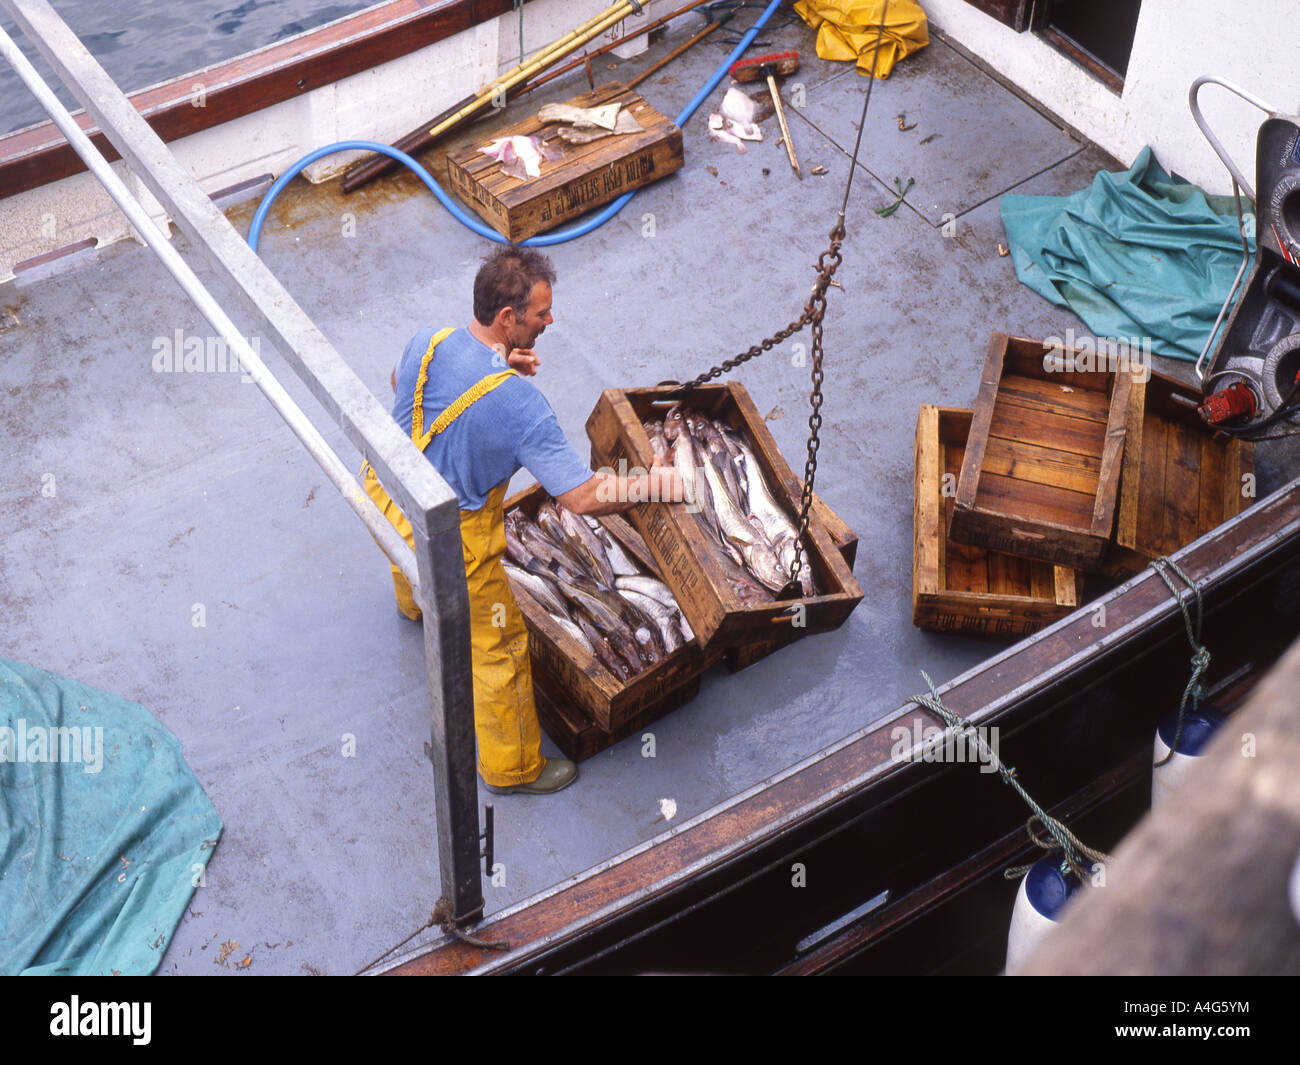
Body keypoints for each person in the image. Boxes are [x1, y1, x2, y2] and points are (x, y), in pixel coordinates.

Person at [361, 246, 683, 795]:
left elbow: (401, 383)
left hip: (384, 491)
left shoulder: (429, 340)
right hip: (450, 541)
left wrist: (494, 366)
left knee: (404, 552)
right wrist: (657, 484)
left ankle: (414, 606)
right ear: (507, 319)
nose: (550, 321)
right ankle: (513, 769)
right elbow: (580, 497)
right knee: (500, 647)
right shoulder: (524, 409)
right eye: (541, 314)